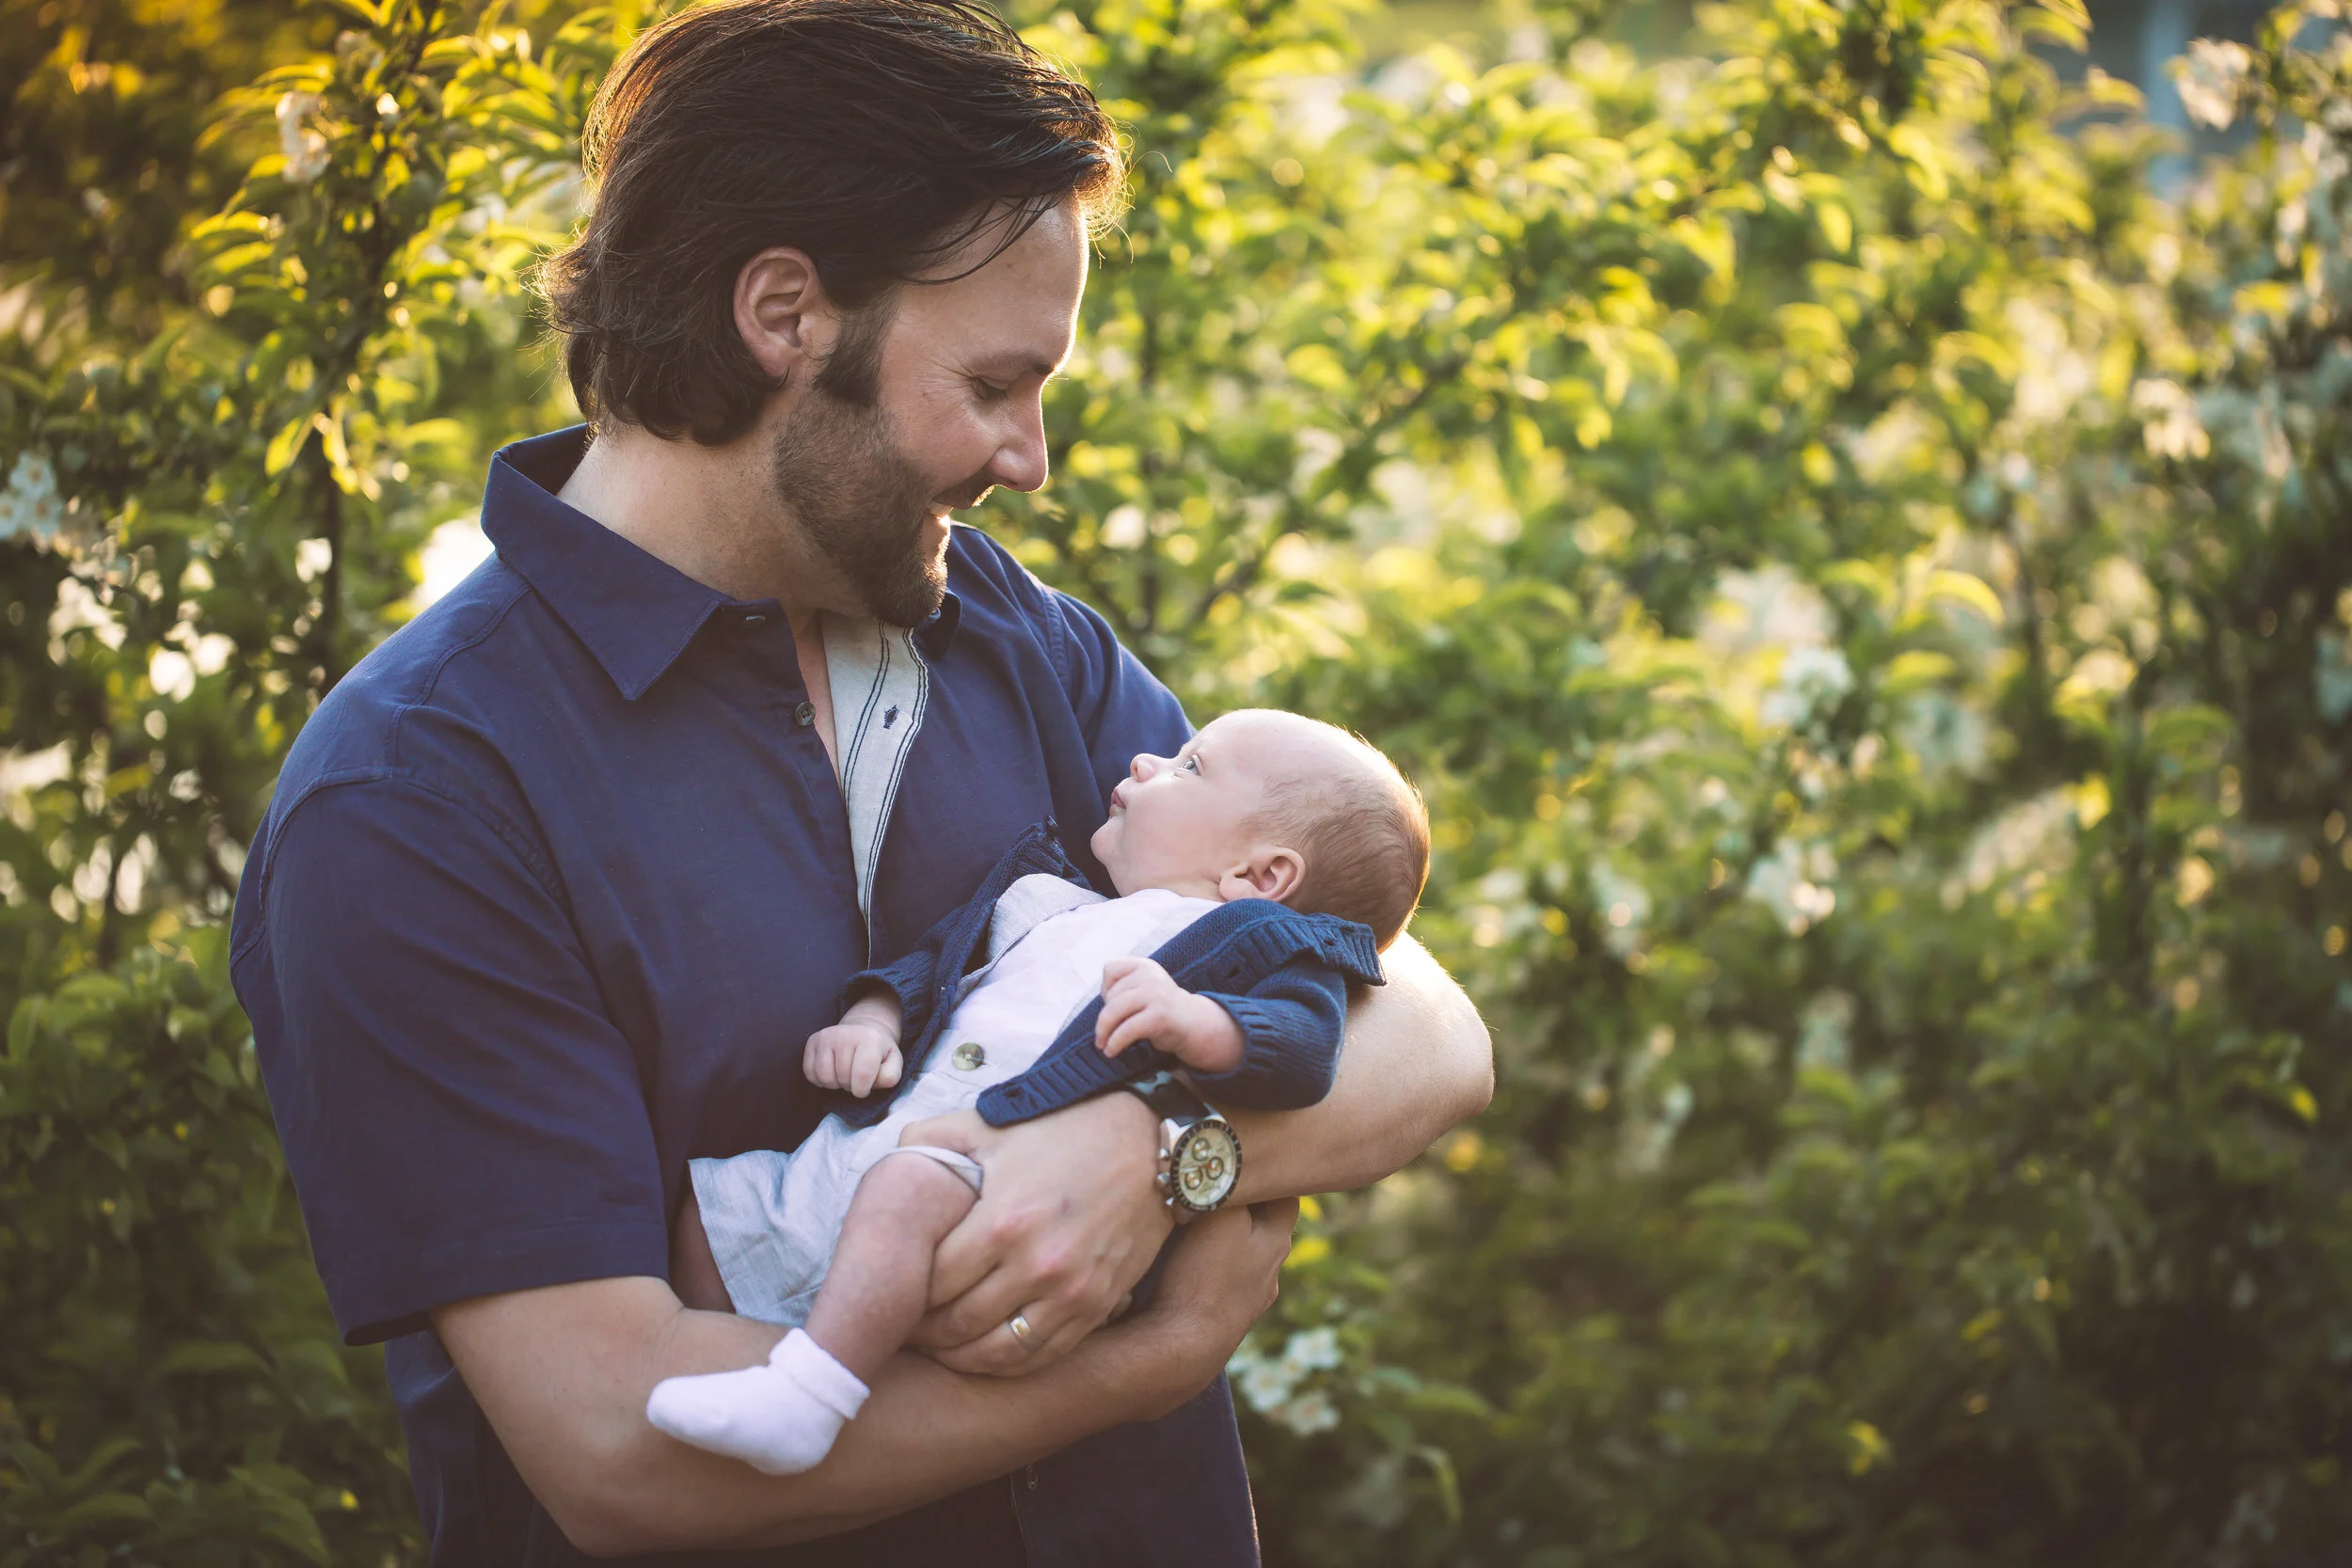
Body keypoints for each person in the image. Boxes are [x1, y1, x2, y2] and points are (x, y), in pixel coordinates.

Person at [229, 1, 1492, 1562]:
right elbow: (619, 1445)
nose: (1030, 457)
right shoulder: (417, 798)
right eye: (997, 382)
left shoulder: (1014, 637)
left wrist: (1150, 1144)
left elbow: (1426, 1022)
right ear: (785, 315)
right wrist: (1139, 1362)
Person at [646, 710, 1430, 1476]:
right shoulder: (1048, 903)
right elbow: (944, 965)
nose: (1145, 761)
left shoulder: (1255, 950)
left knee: (905, 1190)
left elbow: (1307, 1045)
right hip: (851, 1160)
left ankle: (808, 1397)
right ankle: (740, 1390)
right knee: (710, 1216)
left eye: (1190, 766)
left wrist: (1203, 1022)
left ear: (1261, 876)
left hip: (987, 1189)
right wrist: (876, 1017)